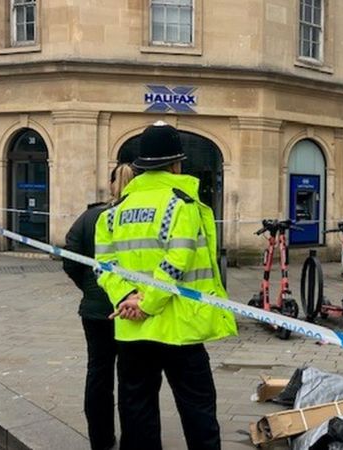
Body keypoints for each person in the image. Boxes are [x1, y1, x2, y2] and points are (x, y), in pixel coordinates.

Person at [95, 122, 237, 450]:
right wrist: (148, 303)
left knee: (137, 411)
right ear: (176, 164)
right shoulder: (180, 204)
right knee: (198, 410)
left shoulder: (114, 213)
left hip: (132, 330)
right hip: (179, 329)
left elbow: (104, 267)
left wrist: (127, 297)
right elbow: (177, 260)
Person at [63, 163, 135, 450]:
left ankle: (101, 440)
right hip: (133, 310)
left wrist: (90, 289)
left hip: (94, 311)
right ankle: (134, 438)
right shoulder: (138, 217)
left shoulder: (90, 216)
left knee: (98, 373)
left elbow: (70, 258)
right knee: (132, 378)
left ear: (110, 183)